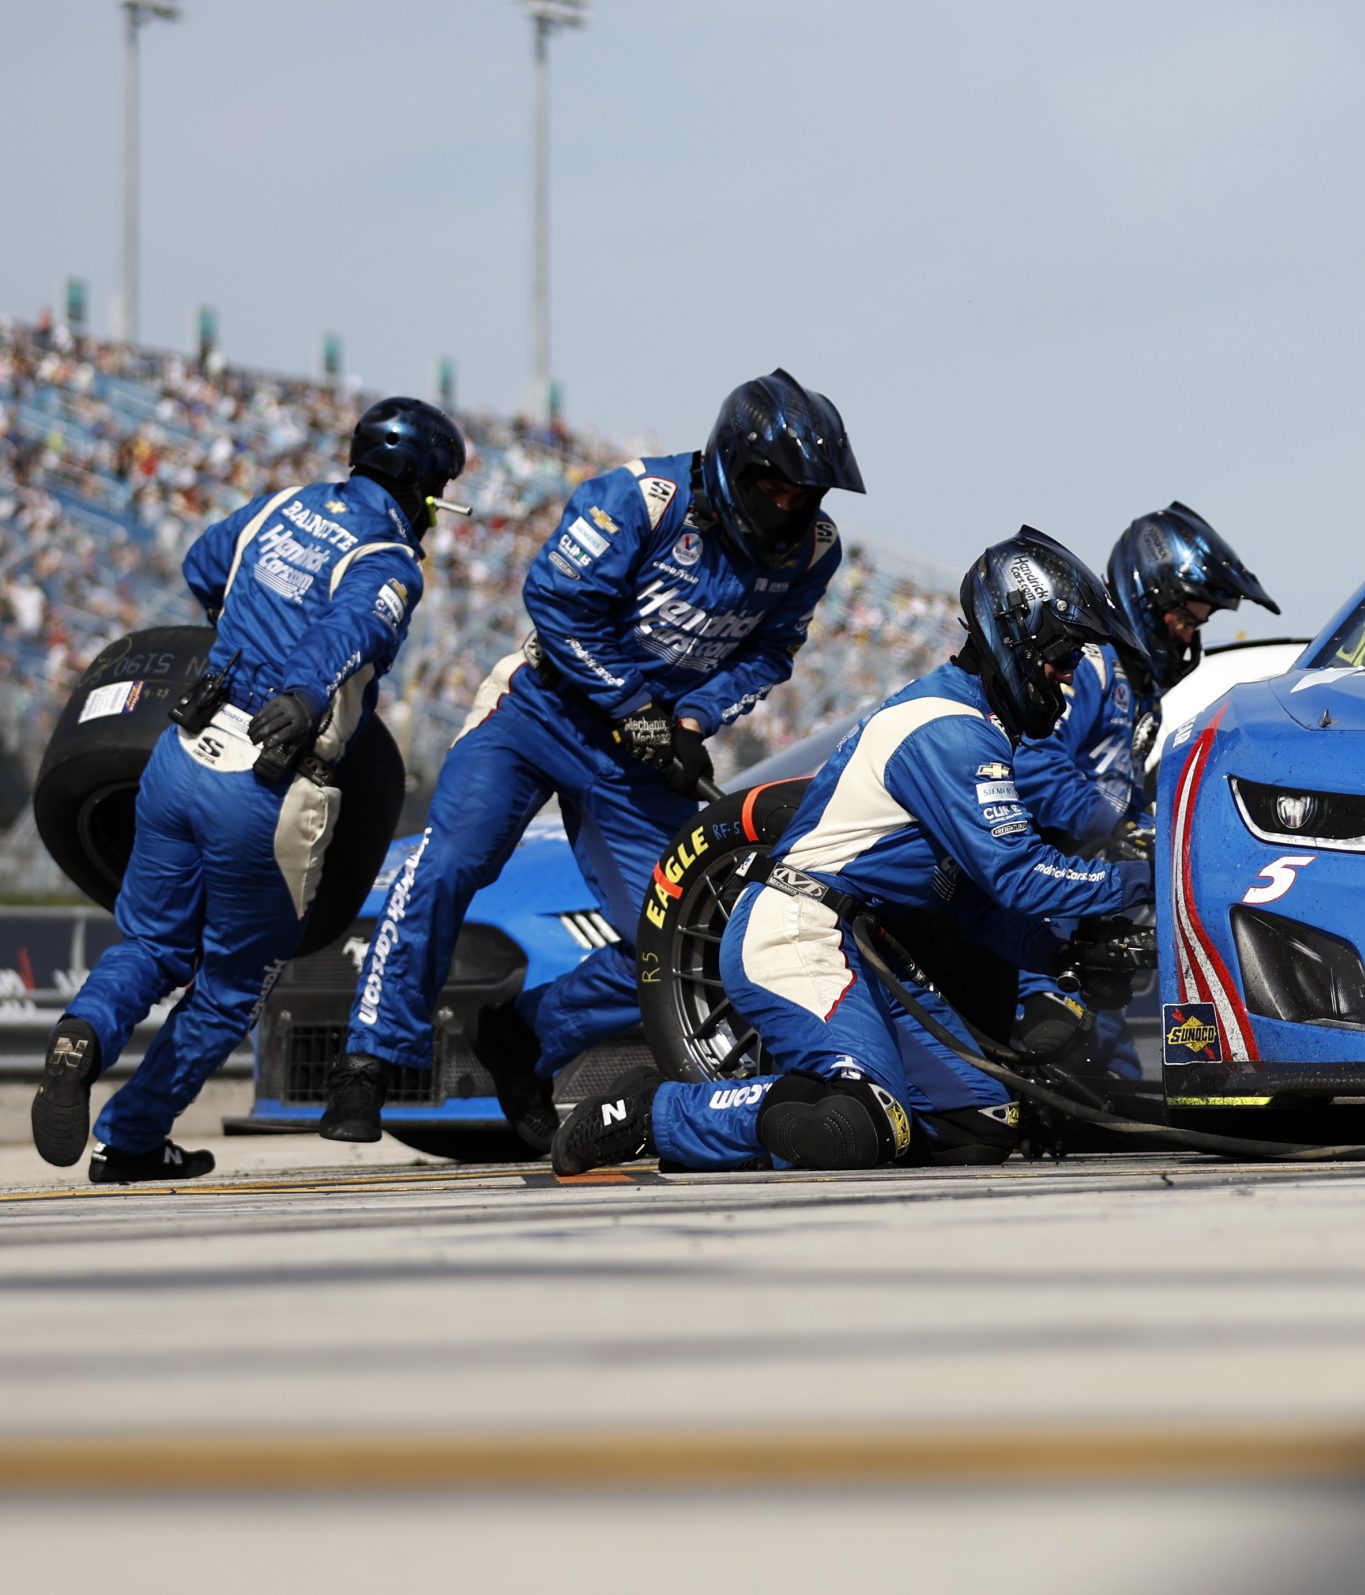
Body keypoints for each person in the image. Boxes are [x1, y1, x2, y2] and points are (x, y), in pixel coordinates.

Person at [325, 370, 857, 1147]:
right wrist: (633, 706)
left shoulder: (815, 550)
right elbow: (556, 601)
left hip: (636, 756)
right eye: (776, 487)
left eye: (805, 493)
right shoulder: (637, 498)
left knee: (683, 935)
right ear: (735, 465)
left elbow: (772, 653)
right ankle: (368, 1063)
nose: (790, 506)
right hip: (535, 711)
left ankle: (523, 1038)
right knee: (448, 864)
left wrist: (691, 717)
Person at [548, 528, 1154, 1175]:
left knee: (976, 1124)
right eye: (1062, 658)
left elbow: (971, 906)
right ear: (1019, 635)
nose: (1066, 679)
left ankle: (831, 1108)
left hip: (864, 944)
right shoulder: (945, 729)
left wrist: (1060, 953)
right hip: (796, 931)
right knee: (856, 1124)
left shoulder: (973, 727)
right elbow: (1019, 875)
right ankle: (656, 1111)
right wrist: (1146, 878)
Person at [29, 399, 467, 1180]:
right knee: (231, 987)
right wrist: (298, 690)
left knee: (152, 945)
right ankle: (129, 1139)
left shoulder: (286, 504)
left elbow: (204, 563)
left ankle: (80, 1036)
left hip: (176, 755)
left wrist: (245, 641)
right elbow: (351, 632)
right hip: (263, 786)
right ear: (421, 486)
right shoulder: (390, 559)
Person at [1005, 504, 1277, 1067]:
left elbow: (1120, 791)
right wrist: (1122, 829)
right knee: (1056, 1050)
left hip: (1086, 893)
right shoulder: (1090, 661)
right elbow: (1035, 765)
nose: (1189, 634)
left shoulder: (1135, 681)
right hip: (1039, 892)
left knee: (1119, 1078)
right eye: (1187, 618)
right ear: (1150, 596)